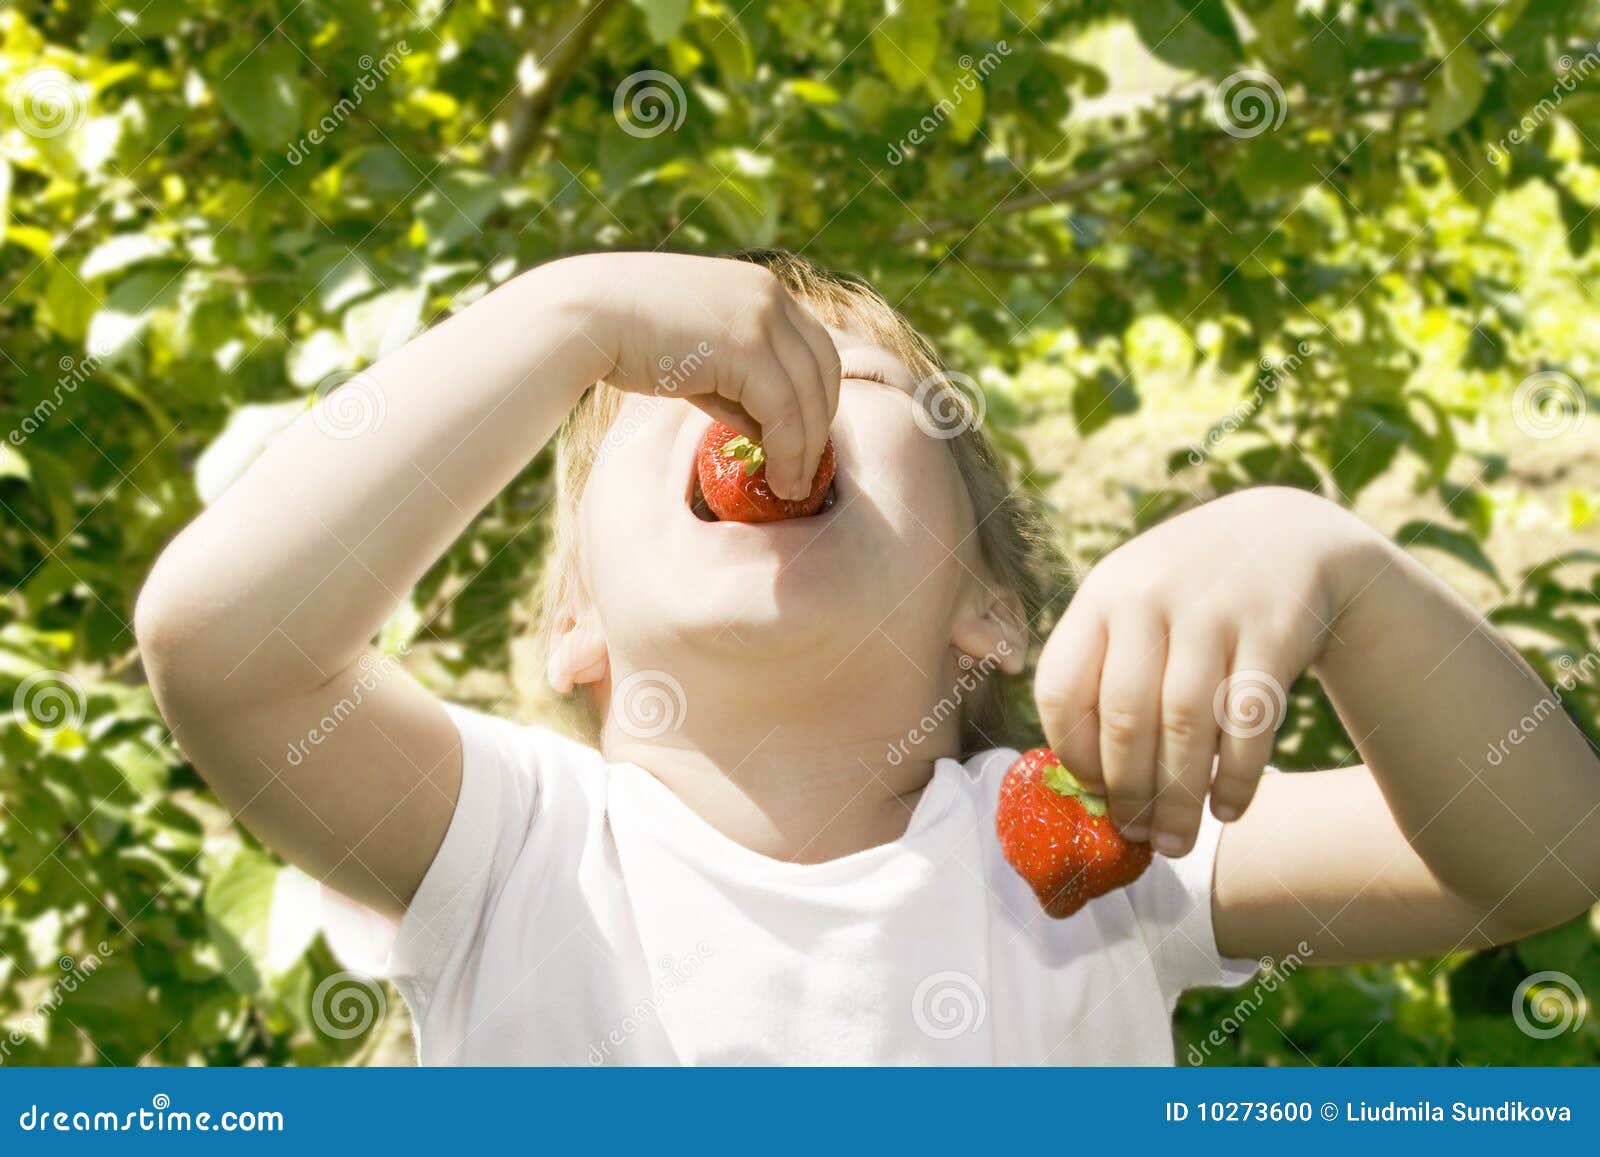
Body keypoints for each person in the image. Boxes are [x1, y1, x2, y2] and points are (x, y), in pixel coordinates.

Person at [135, 249, 1600, 1064]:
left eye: (864, 384)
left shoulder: (1083, 845)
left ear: (992, 614)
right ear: (574, 628)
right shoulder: (513, 842)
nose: (757, 400)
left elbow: (1531, 855)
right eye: (663, 384)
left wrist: (1331, 560)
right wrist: (569, 314)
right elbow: (226, 650)